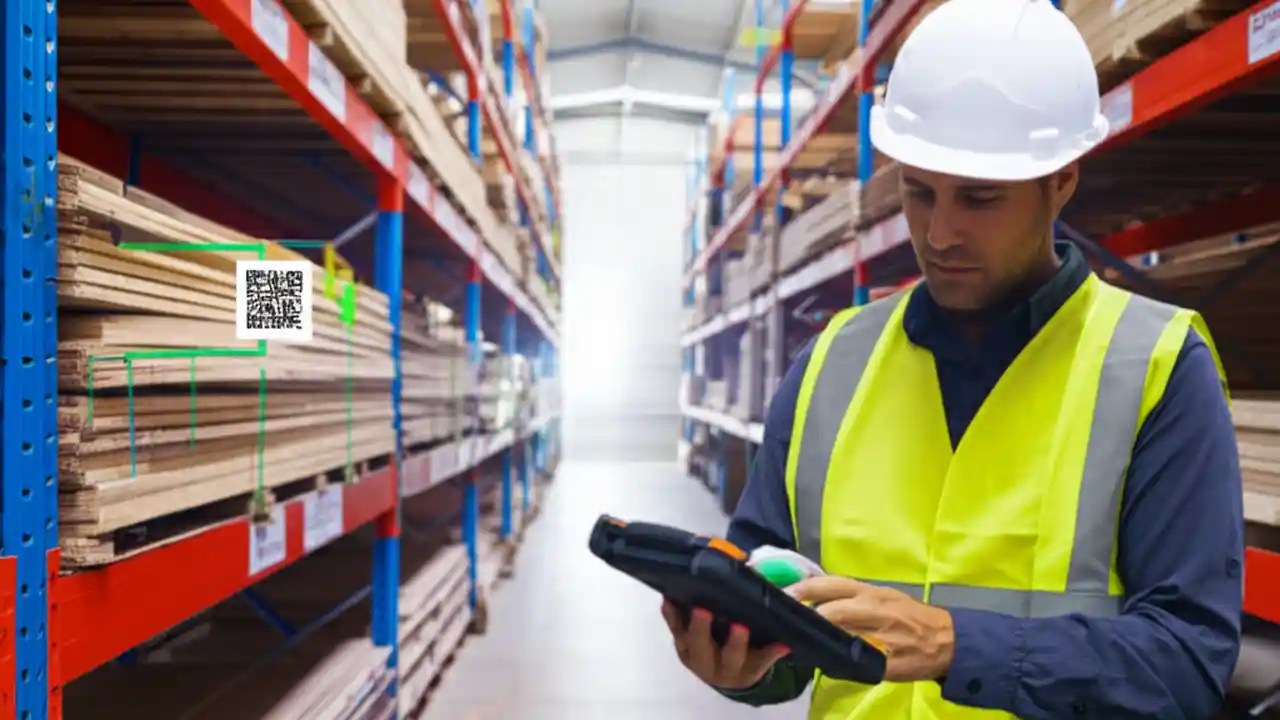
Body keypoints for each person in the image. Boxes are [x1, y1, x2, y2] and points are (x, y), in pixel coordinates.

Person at [661, 0, 1245, 717]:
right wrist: (736, 661)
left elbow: (1186, 662)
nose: (939, 233)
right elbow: (778, 623)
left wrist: (955, 646)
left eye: (979, 199)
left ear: (1062, 181)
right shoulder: (830, 365)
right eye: (919, 192)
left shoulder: (1156, 366)